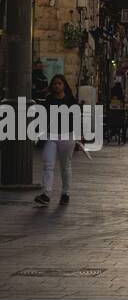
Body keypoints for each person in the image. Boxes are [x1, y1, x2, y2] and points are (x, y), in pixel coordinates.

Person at [35, 74, 78, 206]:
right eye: (55, 84)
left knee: (65, 166)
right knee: (48, 164)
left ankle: (65, 193)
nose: (57, 86)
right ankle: (46, 194)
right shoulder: (48, 100)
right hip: (51, 135)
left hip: (67, 135)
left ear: (64, 85)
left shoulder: (71, 100)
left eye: (59, 83)